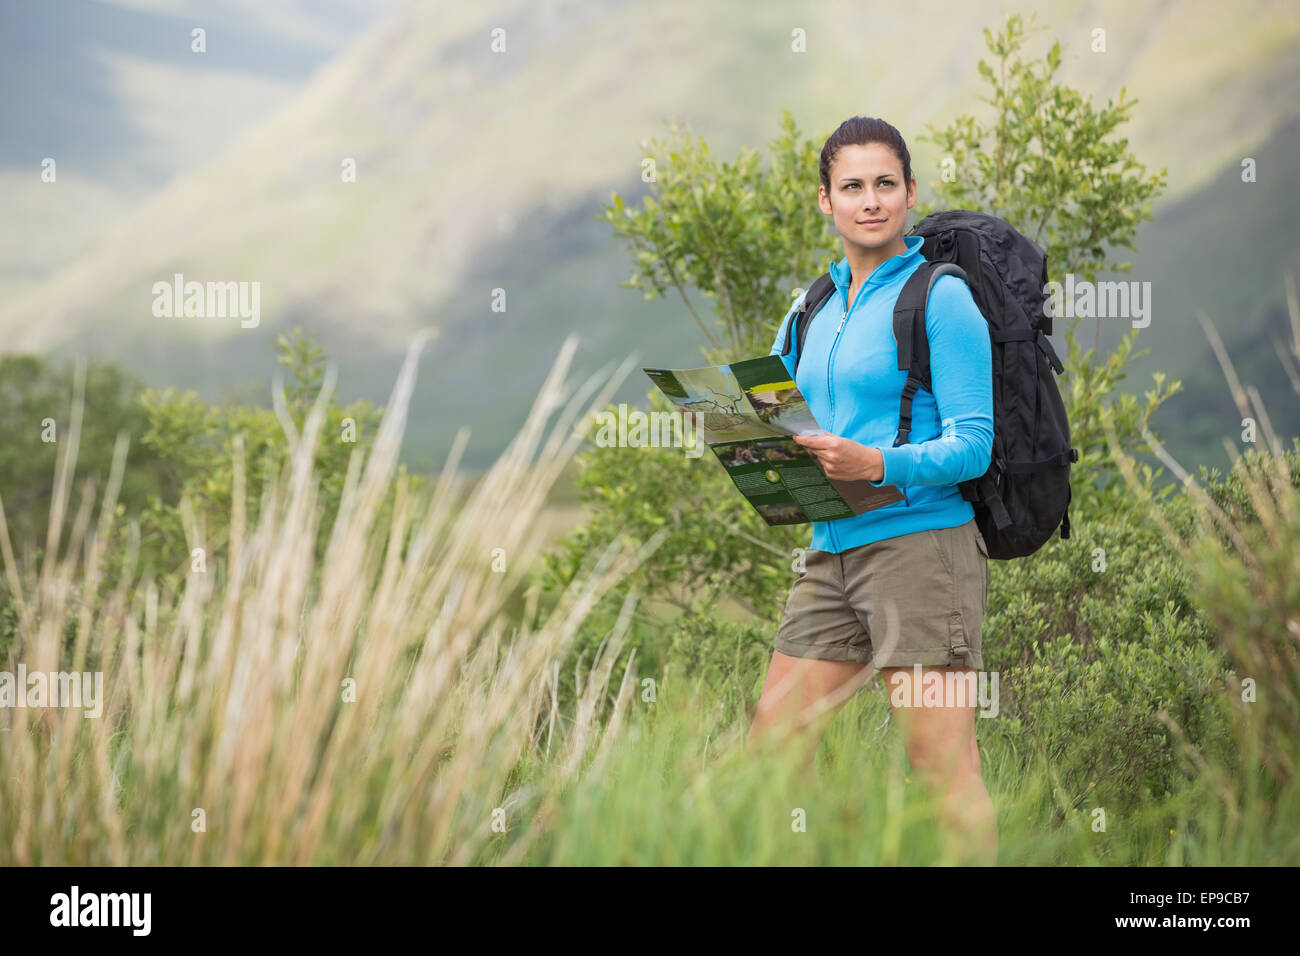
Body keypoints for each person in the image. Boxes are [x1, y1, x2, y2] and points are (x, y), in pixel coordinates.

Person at [746, 116, 996, 864]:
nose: (871, 201)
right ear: (825, 200)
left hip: (920, 552)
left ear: (910, 192)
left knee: (943, 770)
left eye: (886, 184)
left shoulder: (940, 299)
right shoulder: (812, 305)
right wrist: (750, 442)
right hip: (830, 553)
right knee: (772, 750)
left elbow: (974, 445)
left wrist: (877, 465)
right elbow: (784, 414)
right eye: (852, 186)